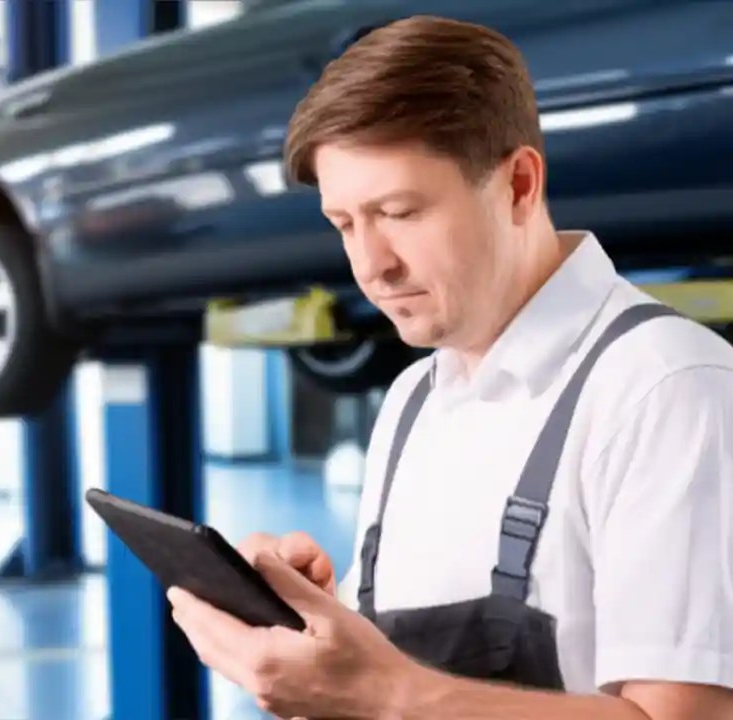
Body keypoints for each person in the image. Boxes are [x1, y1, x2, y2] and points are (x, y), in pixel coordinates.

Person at [166, 14, 733, 720]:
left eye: (399, 211)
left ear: (520, 185)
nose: (371, 266)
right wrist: (318, 638)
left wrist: (384, 692)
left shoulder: (663, 389)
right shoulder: (415, 401)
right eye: (344, 224)